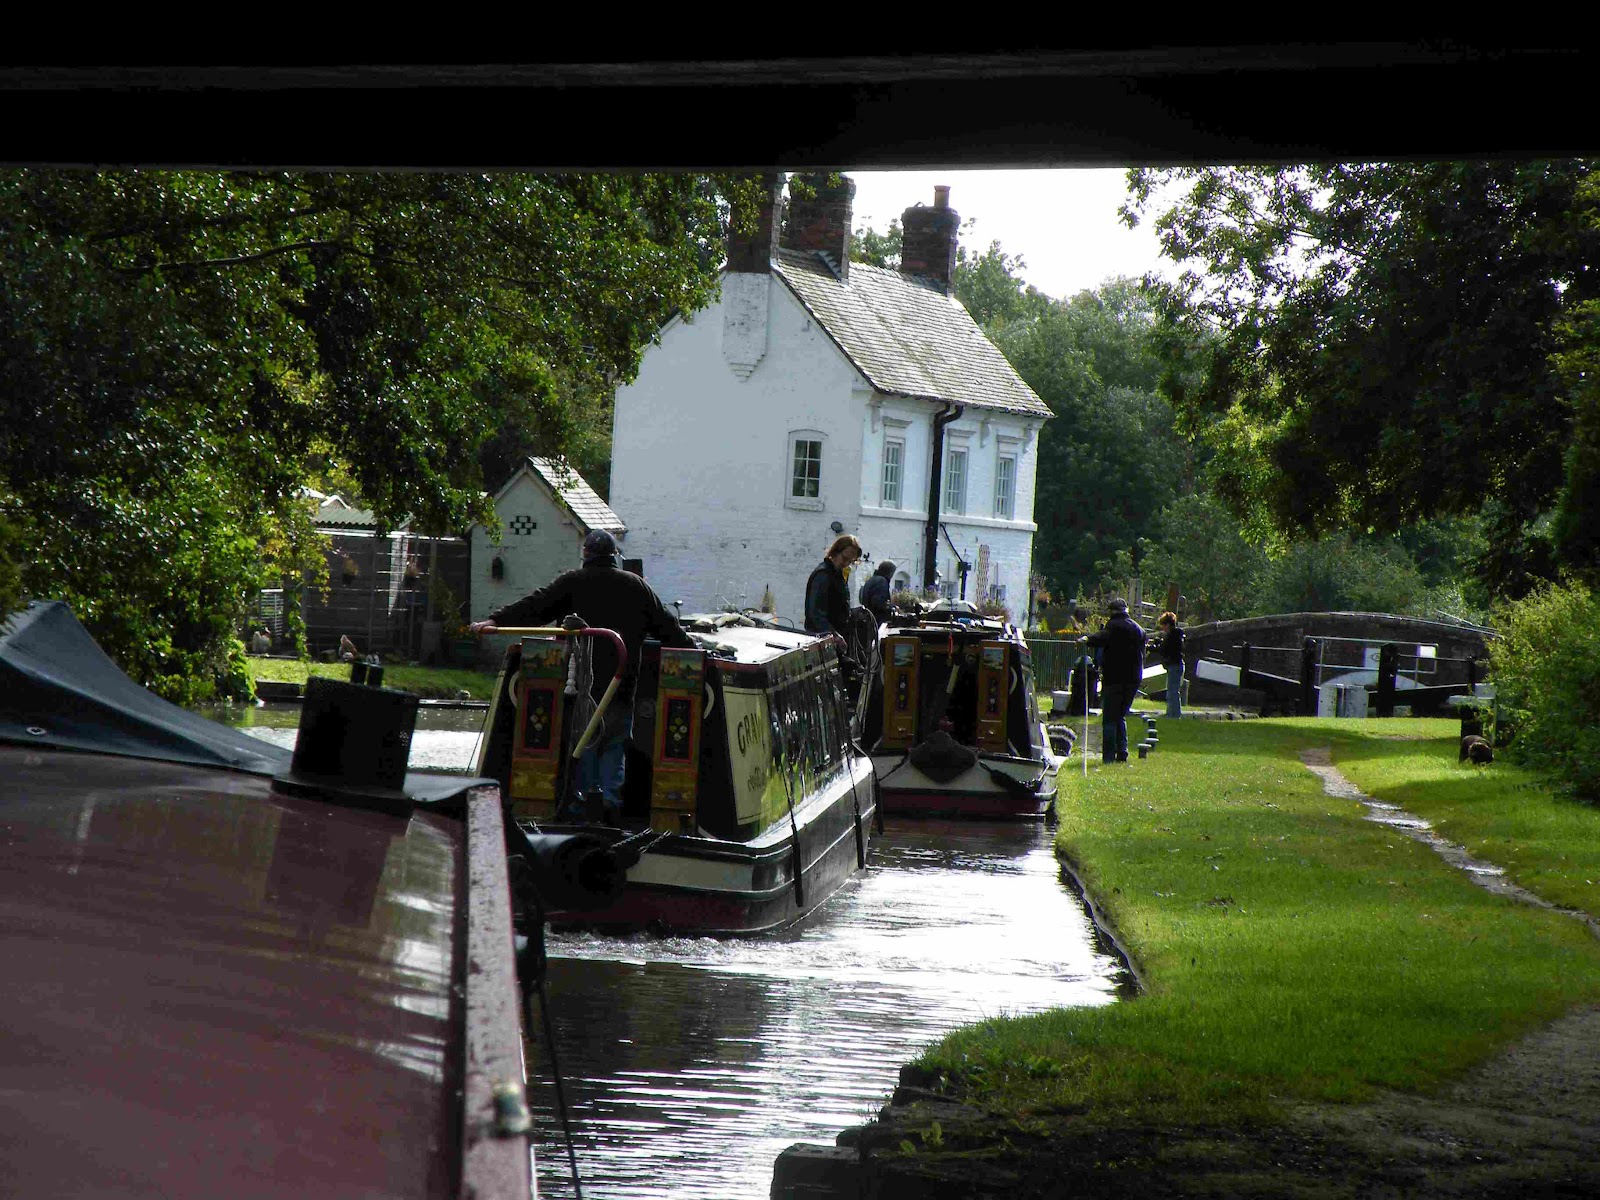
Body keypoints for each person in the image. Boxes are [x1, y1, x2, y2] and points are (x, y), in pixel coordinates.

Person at [468, 529, 694, 824]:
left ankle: (583, 808)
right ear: (615, 557)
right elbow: (668, 628)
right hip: (622, 686)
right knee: (614, 745)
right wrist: (695, 650)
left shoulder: (573, 582)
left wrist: (495, 620)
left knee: (585, 742)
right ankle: (610, 806)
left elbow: (536, 605)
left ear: (585, 554)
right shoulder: (637, 586)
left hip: (584, 687)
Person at [1083, 597, 1146, 764]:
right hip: (1134, 679)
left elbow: (1101, 638)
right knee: (1120, 715)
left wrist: (1086, 639)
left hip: (1115, 678)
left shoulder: (1113, 626)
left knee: (1110, 718)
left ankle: (1109, 757)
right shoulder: (1139, 629)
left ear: (1112, 612)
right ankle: (1122, 753)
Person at [803, 534, 862, 641]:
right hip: (820, 641)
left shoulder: (836, 575)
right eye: (845, 558)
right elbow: (816, 613)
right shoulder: (823, 574)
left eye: (850, 561)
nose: (846, 563)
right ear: (836, 551)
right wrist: (833, 635)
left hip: (832, 638)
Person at [1154, 610, 1186, 718]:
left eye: (1163, 625)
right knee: (1172, 691)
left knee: (1172, 692)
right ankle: (1171, 713)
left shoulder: (1172, 636)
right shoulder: (1176, 635)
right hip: (1176, 665)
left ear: (1168, 624)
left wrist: (1158, 645)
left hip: (1174, 665)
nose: (1162, 628)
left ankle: (1175, 715)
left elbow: (1166, 649)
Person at [858, 558, 896, 626]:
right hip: (876, 619)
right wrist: (891, 607)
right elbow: (878, 603)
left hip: (868, 618)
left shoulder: (872, 579)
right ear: (890, 572)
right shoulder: (881, 581)